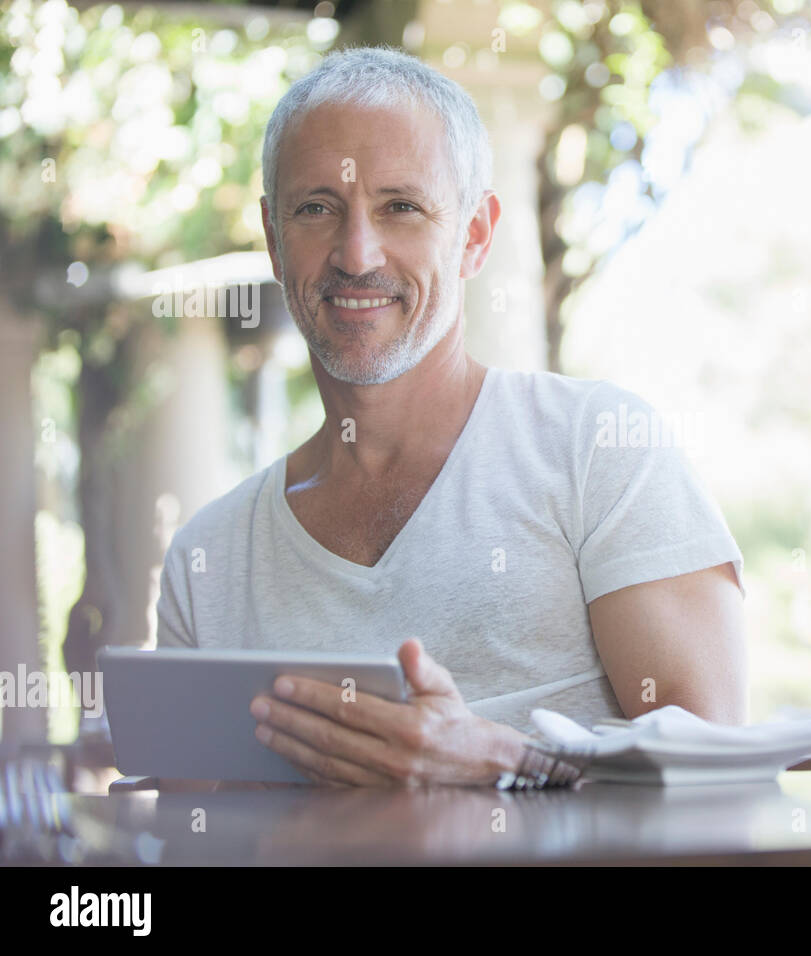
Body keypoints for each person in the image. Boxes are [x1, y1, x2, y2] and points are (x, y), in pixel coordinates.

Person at [154, 46, 747, 788]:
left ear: (473, 235)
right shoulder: (207, 561)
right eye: (317, 208)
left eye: (400, 206)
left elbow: (724, 771)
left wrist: (510, 763)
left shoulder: (599, 449)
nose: (356, 253)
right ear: (274, 240)